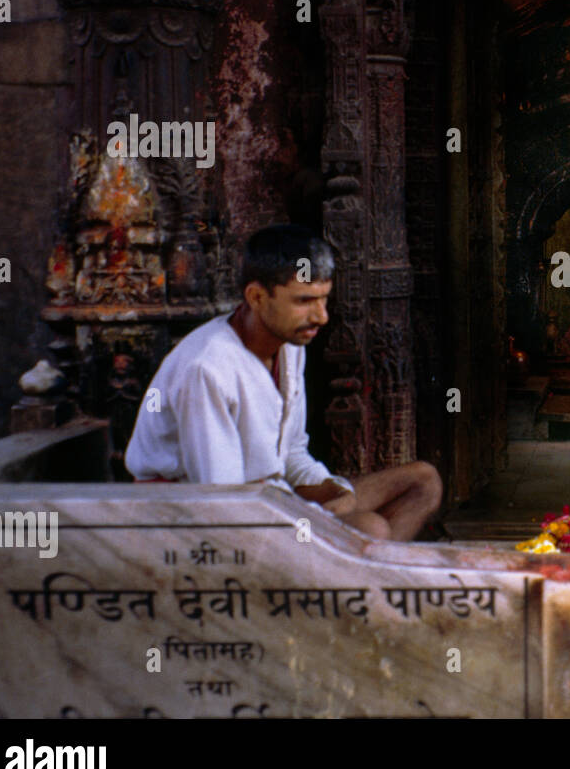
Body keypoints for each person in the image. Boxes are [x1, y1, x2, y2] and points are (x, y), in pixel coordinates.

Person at [125, 224, 442, 538]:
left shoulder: (289, 345)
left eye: (323, 299)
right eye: (304, 301)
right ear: (257, 296)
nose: (321, 317)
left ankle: (361, 581)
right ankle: (354, 582)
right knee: (370, 528)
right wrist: (318, 515)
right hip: (203, 521)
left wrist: (334, 493)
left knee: (423, 482)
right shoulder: (207, 367)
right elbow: (226, 499)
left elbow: (290, 454)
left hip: (273, 497)